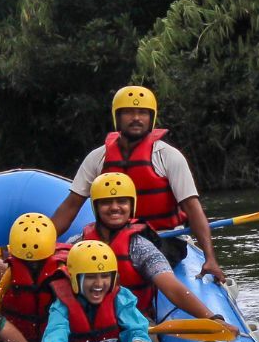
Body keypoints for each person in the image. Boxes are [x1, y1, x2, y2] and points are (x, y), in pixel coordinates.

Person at [49, 85, 224, 282]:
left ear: (152, 118)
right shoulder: (97, 158)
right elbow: (71, 205)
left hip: (163, 239)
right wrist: (43, 243)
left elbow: (193, 208)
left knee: (124, 259)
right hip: (111, 238)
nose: (136, 118)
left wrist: (210, 258)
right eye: (129, 113)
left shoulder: (168, 156)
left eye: (142, 113)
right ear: (117, 117)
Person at [76, 172, 223, 323]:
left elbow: (171, 287)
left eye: (122, 201)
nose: (114, 207)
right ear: (96, 206)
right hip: (87, 324)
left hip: (136, 323)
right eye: (106, 202)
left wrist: (212, 318)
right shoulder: (78, 244)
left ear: (131, 206)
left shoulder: (140, 246)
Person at [43, 240, 153, 342]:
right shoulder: (62, 304)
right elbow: (57, 329)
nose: (99, 284)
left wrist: (138, 340)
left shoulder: (121, 298)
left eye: (105, 276)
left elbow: (135, 327)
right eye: (90, 277)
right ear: (75, 278)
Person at [0, 212, 68, 342]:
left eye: (38, 262)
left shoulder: (60, 271)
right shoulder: (11, 273)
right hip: (20, 341)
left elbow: (69, 307)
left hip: (54, 336)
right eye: (26, 262)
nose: (32, 265)